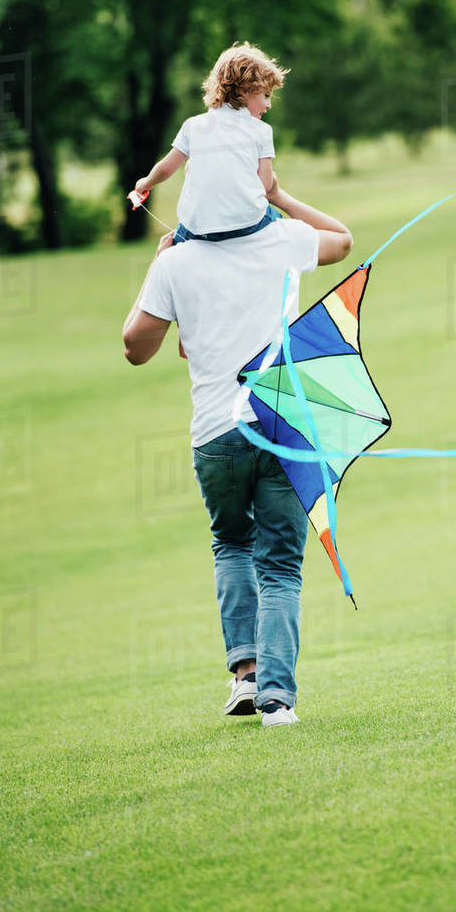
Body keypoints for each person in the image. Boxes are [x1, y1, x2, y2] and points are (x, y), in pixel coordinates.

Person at [122, 174, 353, 727]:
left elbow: (137, 347)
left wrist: (159, 266)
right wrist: (278, 196)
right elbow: (341, 240)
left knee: (231, 542)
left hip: (217, 433)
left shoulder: (176, 263)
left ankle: (245, 675)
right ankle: (277, 700)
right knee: (280, 567)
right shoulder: (284, 240)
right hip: (284, 424)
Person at [132, 42, 287, 245]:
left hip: (197, 229)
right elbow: (265, 186)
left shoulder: (193, 125)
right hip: (245, 225)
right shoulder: (261, 131)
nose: (268, 104)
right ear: (244, 91)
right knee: (279, 227)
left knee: (179, 236)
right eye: (266, 95)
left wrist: (145, 183)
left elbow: (166, 169)